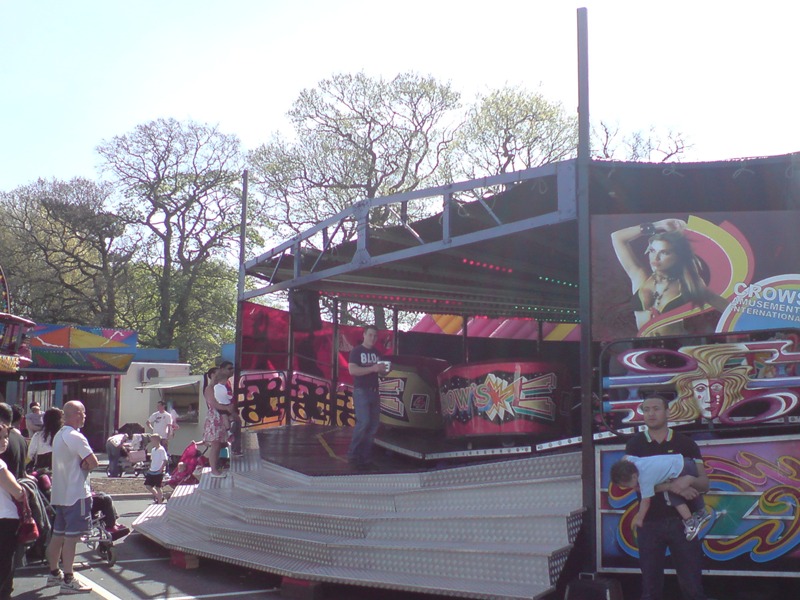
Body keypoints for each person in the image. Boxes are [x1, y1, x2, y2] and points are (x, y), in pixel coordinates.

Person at [625, 395, 710, 600]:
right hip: (650, 523)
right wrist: (672, 486)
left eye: (656, 408)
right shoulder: (635, 445)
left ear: (667, 412)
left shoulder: (686, 443)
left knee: (692, 587)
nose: (651, 414)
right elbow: (635, 485)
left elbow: (704, 484)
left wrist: (689, 479)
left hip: (683, 524)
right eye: (646, 410)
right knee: (650, 588)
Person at [611, 218, 729, 337]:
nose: (655, 258)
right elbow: (617, 237)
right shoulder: (640, 276)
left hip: (674, 346)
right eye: (652, 251)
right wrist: (658, 225)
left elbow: (731, 310)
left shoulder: (690, 284)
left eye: (664, 252)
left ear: (678, 257)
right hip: (644, 345)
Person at [45, 400, 97, 594]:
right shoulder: (76, 436)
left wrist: (83, 463)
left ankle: (54, 573)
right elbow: (93, 461)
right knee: (71, 539)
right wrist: (85, 464)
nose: (85, 416)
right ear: (76, 414)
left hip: (60, 494)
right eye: (83, 413)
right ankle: (68, 578)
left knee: (58, 535)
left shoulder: (59, 435)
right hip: (76, 495)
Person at [611, 454, 711, 541]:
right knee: (682, 489)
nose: (630, 488)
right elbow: (625, 457)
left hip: (681, 469)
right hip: (683, 462)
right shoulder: (632, 462)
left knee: (672, 496)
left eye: (628, 485)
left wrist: (640, 519)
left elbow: (645, 502)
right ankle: (701, 510)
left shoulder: (645, 479)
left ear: (634, 476)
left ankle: (690, 522)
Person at [346, 325, 389, 471]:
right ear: (364, 335)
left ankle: (365, 457)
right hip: (362, 391)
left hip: (374, 390)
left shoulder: (377, 353)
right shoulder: (357, 351)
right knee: (364, 422)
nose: (373, 338)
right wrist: (373, 368)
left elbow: (380, 372)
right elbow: (352, 370)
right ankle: (353, 455)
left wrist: (384, 370)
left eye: (375, 336)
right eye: (370, 335)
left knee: (373, 425)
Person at [0, 423, 26, 600]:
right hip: (5, 518)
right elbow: (17, 492)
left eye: (5, 437)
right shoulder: (0, 465)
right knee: (5, 563)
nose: (4, 441)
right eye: (0, 437)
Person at [202, 367, 232, 478]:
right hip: (214, 417)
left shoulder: (218, 387)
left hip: (220, 417)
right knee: (215, 444)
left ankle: (216, 467)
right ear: (212, 375)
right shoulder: (209, 388)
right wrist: (227, 408)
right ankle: (214, 470)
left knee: (219, 444)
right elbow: (213, 403)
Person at [27, 407, 63, 471]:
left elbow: (30, 454)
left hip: (42, 470)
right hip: (60, 470)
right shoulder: (63, 436)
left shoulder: (38, 436)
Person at [0, 403, 26, 480]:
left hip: (6, 485)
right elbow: (23, 472)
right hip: (18, 483)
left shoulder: (3, 441)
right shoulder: (22, 439)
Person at [144, 434, 168, 504]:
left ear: (157, 440)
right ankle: (159, 497)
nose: (151, 441)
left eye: (152, 440)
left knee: (158, 487)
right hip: (152, 470)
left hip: (159, 471)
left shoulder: (161, 449)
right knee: (148, 486)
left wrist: (161, 469)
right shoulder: (153, 450)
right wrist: (150, 468)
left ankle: (160, 502)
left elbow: (165, 460)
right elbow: (153, 460)